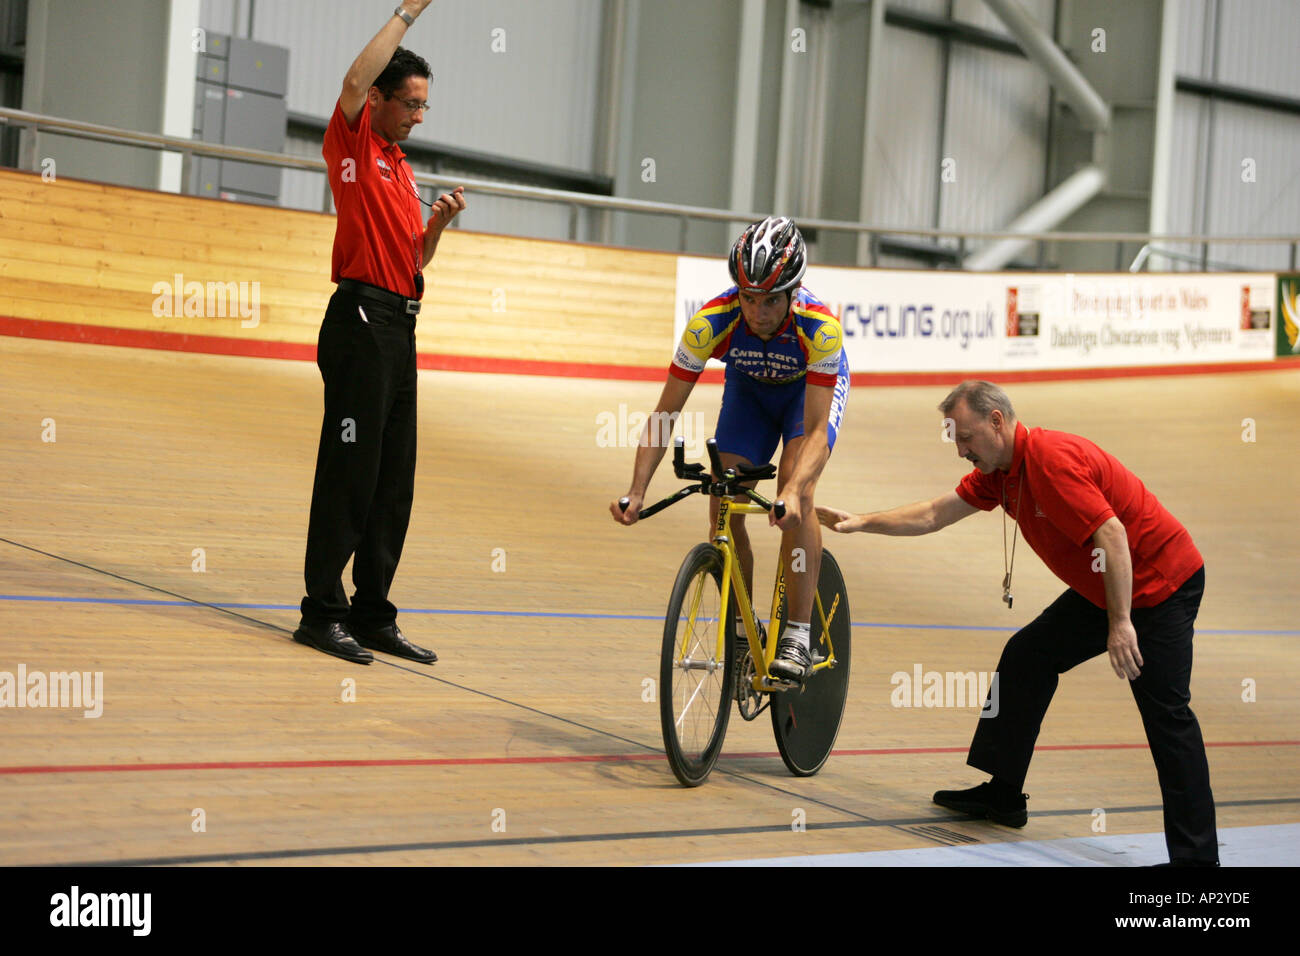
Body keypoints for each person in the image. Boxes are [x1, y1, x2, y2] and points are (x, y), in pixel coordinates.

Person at [817, 380, 1218, 866]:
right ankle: (1003, 794)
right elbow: (933, 514)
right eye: (956, 440)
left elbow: (1112, 535)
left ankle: (1197, 861)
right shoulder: (1001, 472)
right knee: (1027, 657)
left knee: (1167, 717)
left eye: (966, 438)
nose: (961, 450)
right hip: (1110, 584)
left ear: (996, 422)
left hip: (1160, 586)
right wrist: (862, 522)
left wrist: (1120, 623)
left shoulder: (1051, 461)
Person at [294, 1, 466, 666]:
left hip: (399, 325)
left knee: (394, 480)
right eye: (411, 104)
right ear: (379, 101)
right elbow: (351, 80)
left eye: (424, 104)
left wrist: (436, 227)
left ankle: (372, 614)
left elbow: (412, 260)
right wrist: (407, 12)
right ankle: (321, 613)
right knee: (351, 472)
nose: (420, 115)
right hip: (360, 323)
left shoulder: (399, 165)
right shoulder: (355, 143)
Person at [611, 217, 849, 681]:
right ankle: (742, 629)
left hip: (804, 397)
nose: (758, 312)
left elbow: (818, 432)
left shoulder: (821, 329)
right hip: (749, 393)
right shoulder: (710, 323)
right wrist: (637, 490)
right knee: (724, 500)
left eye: (771, 300)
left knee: (795, 496)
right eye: (749, 298)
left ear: (793, 293)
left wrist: (792, 490)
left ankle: (798, 634)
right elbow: (664, 413)